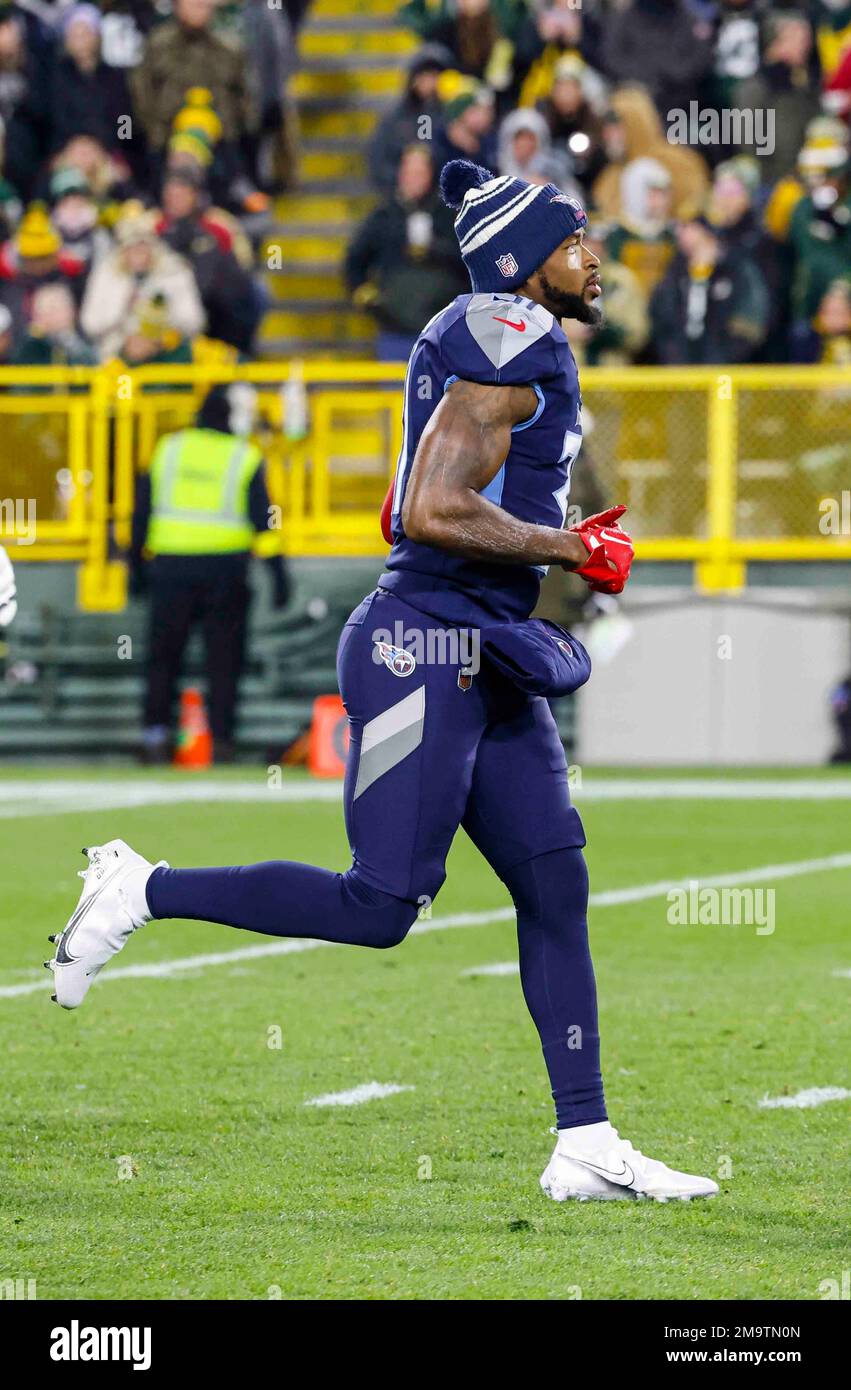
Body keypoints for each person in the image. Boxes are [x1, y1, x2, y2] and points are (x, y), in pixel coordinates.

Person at [45, 158, 718, 1206]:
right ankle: (140, 886)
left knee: (553, 880)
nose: (595, 258)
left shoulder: (508, 333)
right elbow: (428, 508)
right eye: (574, 239)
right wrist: (564, 546)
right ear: (523, 260)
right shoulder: (507, 334)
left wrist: (540, 548)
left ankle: (584, 1138)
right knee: (380, 903)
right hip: (423, 644)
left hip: (482, 641)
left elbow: (433, 496)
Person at [129, 384, 290, 765]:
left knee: (163, 657)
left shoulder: (168, 449)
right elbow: (263, 522)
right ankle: (221, 741)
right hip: (226, 570)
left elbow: (140, 513)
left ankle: (156, 737)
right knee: (224, 660)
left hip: (170, 568)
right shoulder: (244, 456)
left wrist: (135, 567)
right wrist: (278, 575)